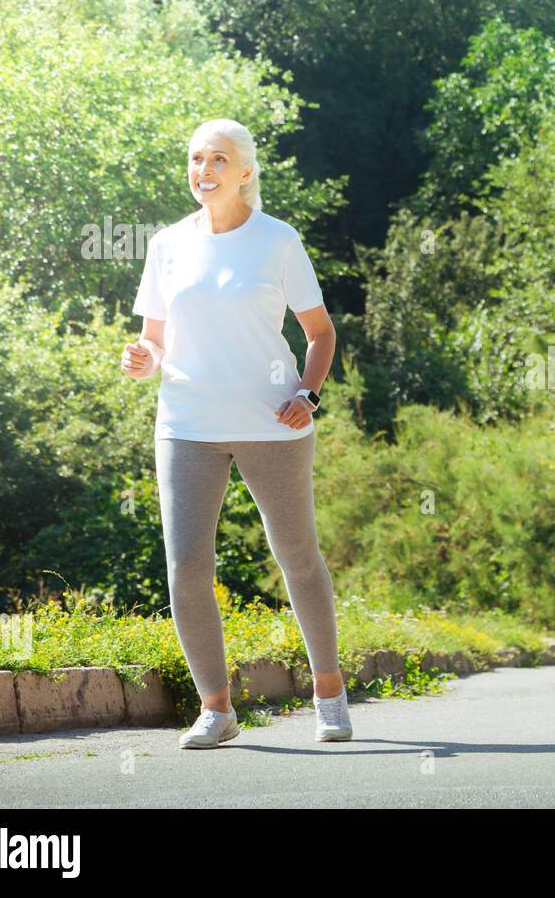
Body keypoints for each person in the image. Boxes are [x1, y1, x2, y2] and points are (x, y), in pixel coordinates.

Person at [122, 118, 352, 748]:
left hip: (271, 423)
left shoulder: (278, 240)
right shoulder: (167, 244)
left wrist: (307, 395)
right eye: (197, 159)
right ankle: (217, 710)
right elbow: (155, 340)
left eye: (219, 159)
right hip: (187, 425)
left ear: (245, 171)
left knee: (297, 556)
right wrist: (144, 358)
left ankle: (329, 693)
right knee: (186, 566)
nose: (205, 170)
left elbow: (320, 333)